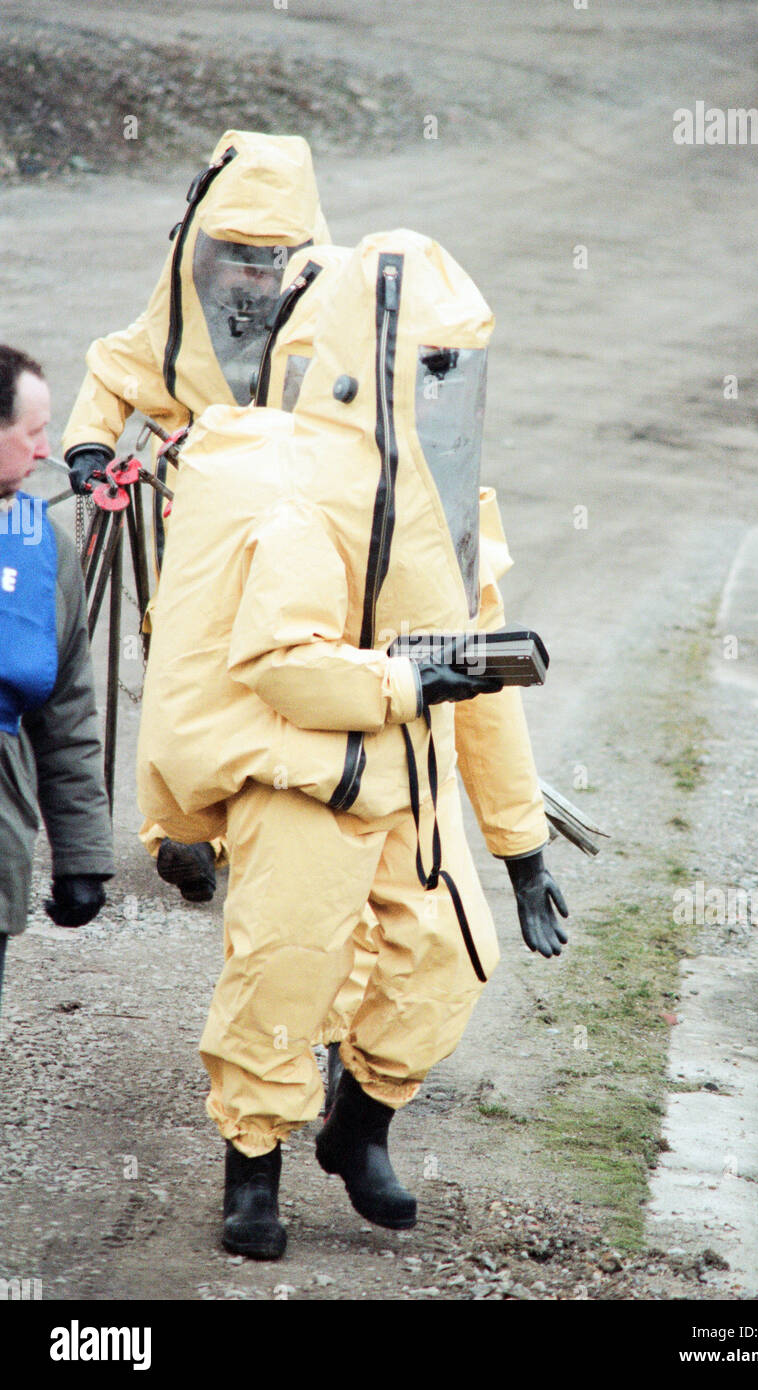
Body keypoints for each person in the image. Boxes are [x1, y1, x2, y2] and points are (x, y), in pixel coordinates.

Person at [137, 231, 569, 1258]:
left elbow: (489, 684)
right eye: (429, 367)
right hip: (303, 776)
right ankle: (253, 1170)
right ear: (374, 359)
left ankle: (358, 1126)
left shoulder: (447, 509)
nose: (444, 389)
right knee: (284, 974)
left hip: (407, 792)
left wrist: (523, 847)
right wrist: (405, 680)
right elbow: (283, 661)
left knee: (447, 964)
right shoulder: (289, 489)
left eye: (452, 369)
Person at [61, 129, 330, 903]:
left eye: (269, 254)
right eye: (237, 250)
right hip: (197, 519)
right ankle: (182, 832)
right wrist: (87, 445)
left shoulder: (333, 308)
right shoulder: (177, 310)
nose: (252, 271)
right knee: (183, 666)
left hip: (298, 524)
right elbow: (118, 369)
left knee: (281, 671)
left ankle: (264, 819)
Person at [0, 346, 114, 1013]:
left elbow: (67, 711)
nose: (48, 452)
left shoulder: (46, 547)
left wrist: (81, 858)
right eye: (33, 432)